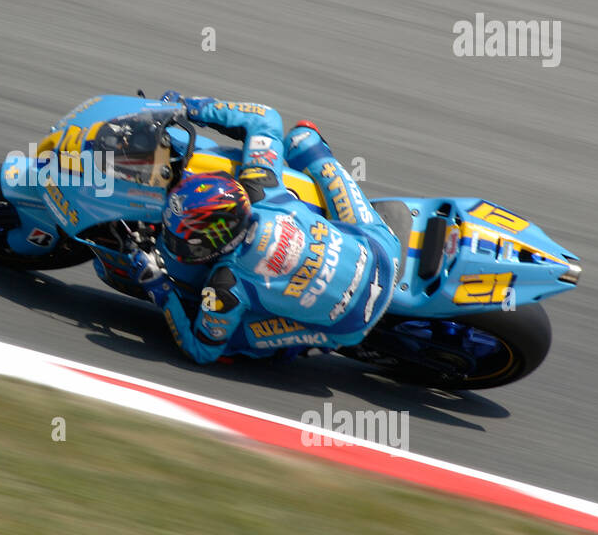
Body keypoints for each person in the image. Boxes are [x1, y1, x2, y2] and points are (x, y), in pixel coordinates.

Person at [129, 92, 400, 364]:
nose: (174, 241)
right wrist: (190, 107)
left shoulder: (226, 286)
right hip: (383, 249)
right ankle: (315, 151)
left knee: (228, 343)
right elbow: (265, 118)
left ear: (213, 245)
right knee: (303, 140)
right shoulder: (262, 187)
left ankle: (294, 349)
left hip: (351, 326)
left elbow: (201, 351)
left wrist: (161, 290)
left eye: (184, 240)